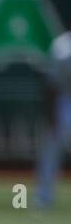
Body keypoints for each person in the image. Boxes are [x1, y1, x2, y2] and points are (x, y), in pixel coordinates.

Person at [34, 29, 71, 208]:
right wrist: (52, 114)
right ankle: (44, 197)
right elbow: (51, 84)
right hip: (65, 101)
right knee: (50, 149)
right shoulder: (62, 46)